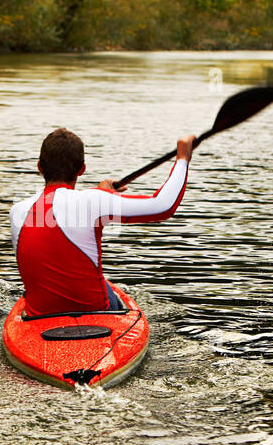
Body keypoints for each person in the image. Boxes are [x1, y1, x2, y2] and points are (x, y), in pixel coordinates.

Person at [10, 128, 196, 316]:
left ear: (39, 167)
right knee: (104, 284)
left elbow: (60, 207)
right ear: (82, 169)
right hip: (97, 313)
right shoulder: (94, 201)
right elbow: (164, 206)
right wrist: (182, 160)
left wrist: (101, 194)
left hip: (40, 316)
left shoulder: (17, 211)